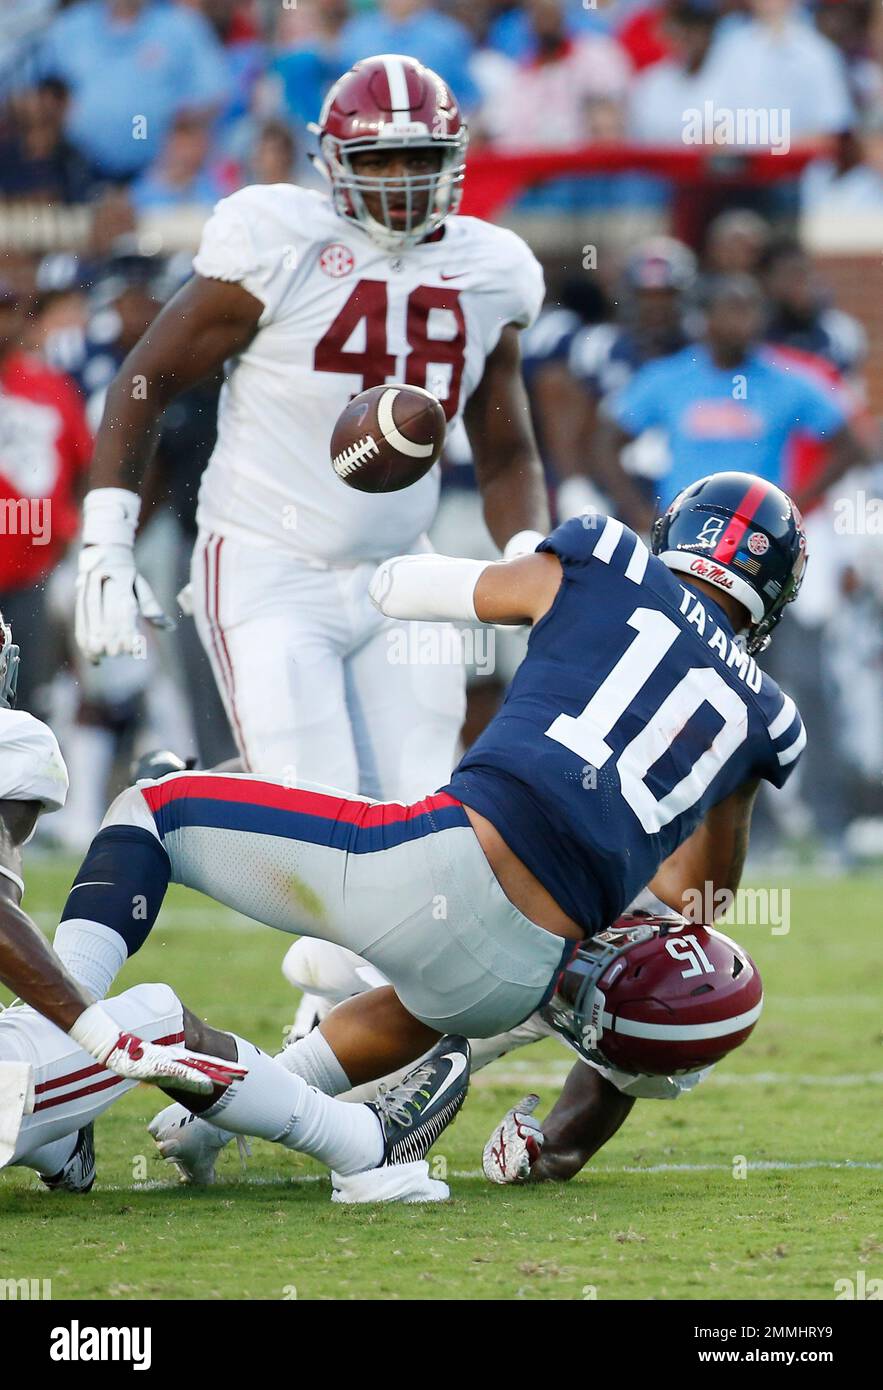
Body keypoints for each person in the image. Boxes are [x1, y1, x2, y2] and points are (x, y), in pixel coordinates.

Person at [55, 471, 808, 1197]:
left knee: (149, 808)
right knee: (417, 999)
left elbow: (400, 588)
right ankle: (207, 1127)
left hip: (431, 864)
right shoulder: (769, 718)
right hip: (517, 977)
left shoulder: (607, 557)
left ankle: (53, 1039)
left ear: (673, 533)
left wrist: (529, 571)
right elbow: (691, 902)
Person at [73, 54, 549, 824]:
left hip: (402, 572)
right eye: (378, 158)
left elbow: (506, 450)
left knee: (425, 823)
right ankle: (173, 817)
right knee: (319, 823)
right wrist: (106, 541)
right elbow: (144, 379)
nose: (399, 178)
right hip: (269, 564)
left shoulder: (491, 270)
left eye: (418, 158)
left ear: (453, 159)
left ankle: (191, 799)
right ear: (331, 161)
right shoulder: (278, 239)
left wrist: (529, 553)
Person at [592, 275, 867, 532]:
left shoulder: (786, 378)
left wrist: (794, 504)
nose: (746, 321)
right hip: (685, 528)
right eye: (734, 309)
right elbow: (606, 441)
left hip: (758, 532)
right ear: (707, 317)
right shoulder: (670, 376)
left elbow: (850, 446)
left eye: (752, 310)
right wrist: (638, 513)